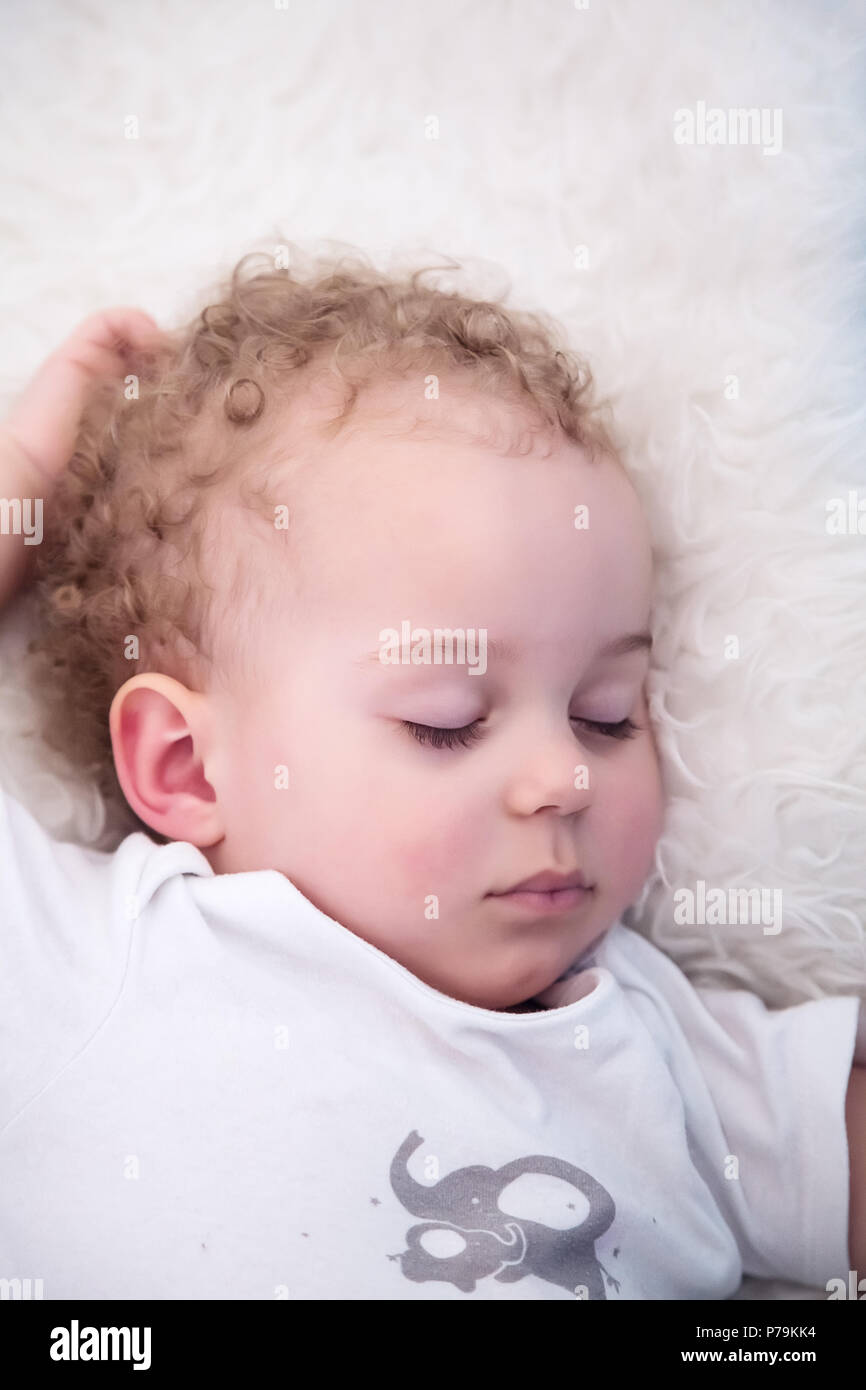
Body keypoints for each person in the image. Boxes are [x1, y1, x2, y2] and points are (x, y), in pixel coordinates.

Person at [0, 251, 863, 1299]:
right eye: (445, 722)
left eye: (605, 714)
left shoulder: (659, 1041)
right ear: (185, 765)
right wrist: (24, 468)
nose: (562, 777)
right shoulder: (93, 953)